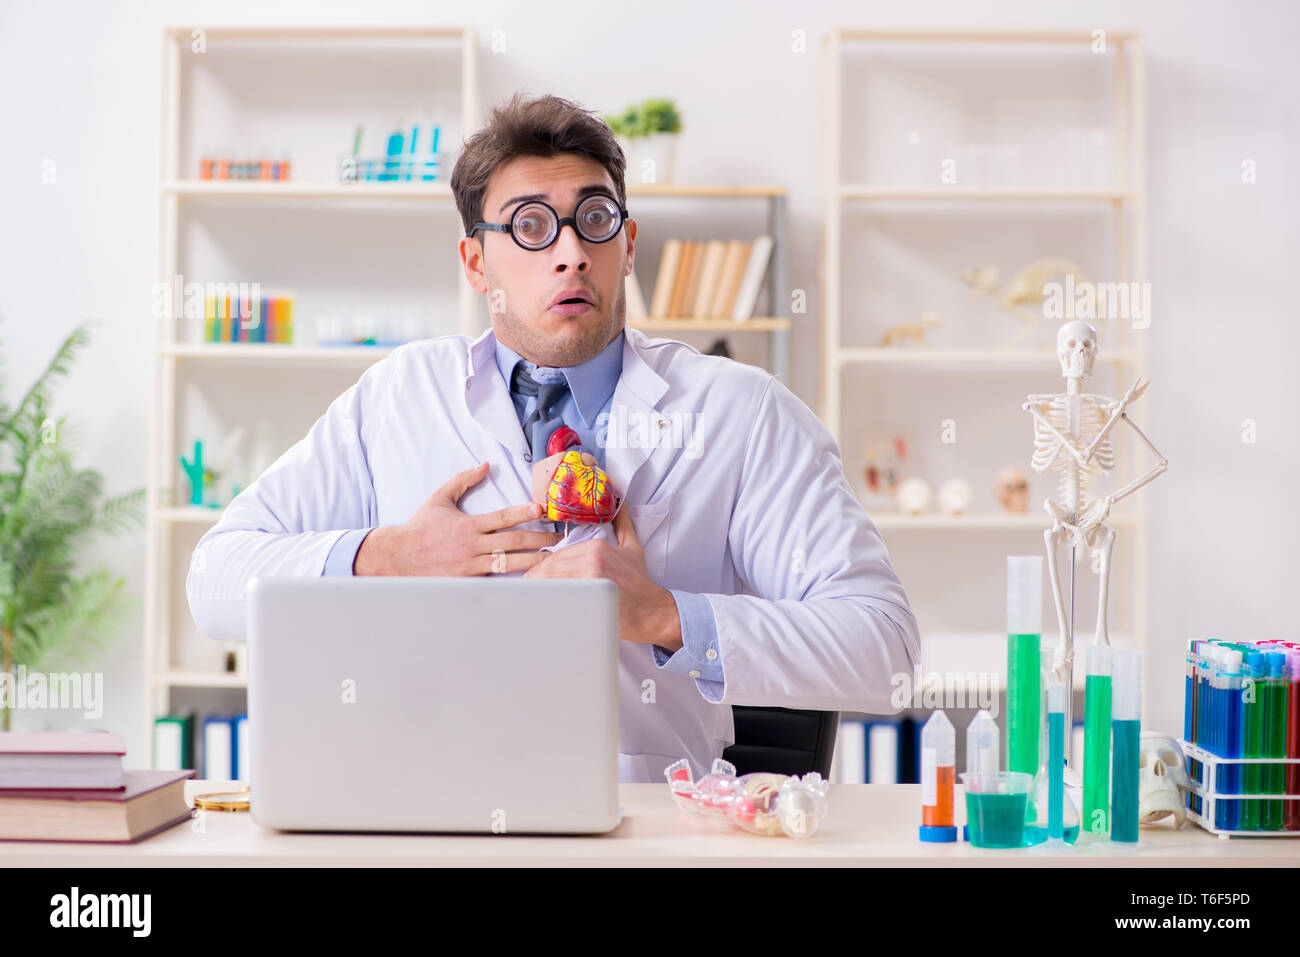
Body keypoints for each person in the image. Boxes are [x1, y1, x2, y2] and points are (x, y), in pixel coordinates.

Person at [186, 92, 921, 783]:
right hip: (432, 817)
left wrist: (664, 614)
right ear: (476, 262)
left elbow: (885, 648)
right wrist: (390, 556)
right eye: (531, 226)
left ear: (628, 245)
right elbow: (213, 582)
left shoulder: (741, 413)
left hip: (650, 824)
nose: (570, 252)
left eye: (594, 218)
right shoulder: (396, 399)